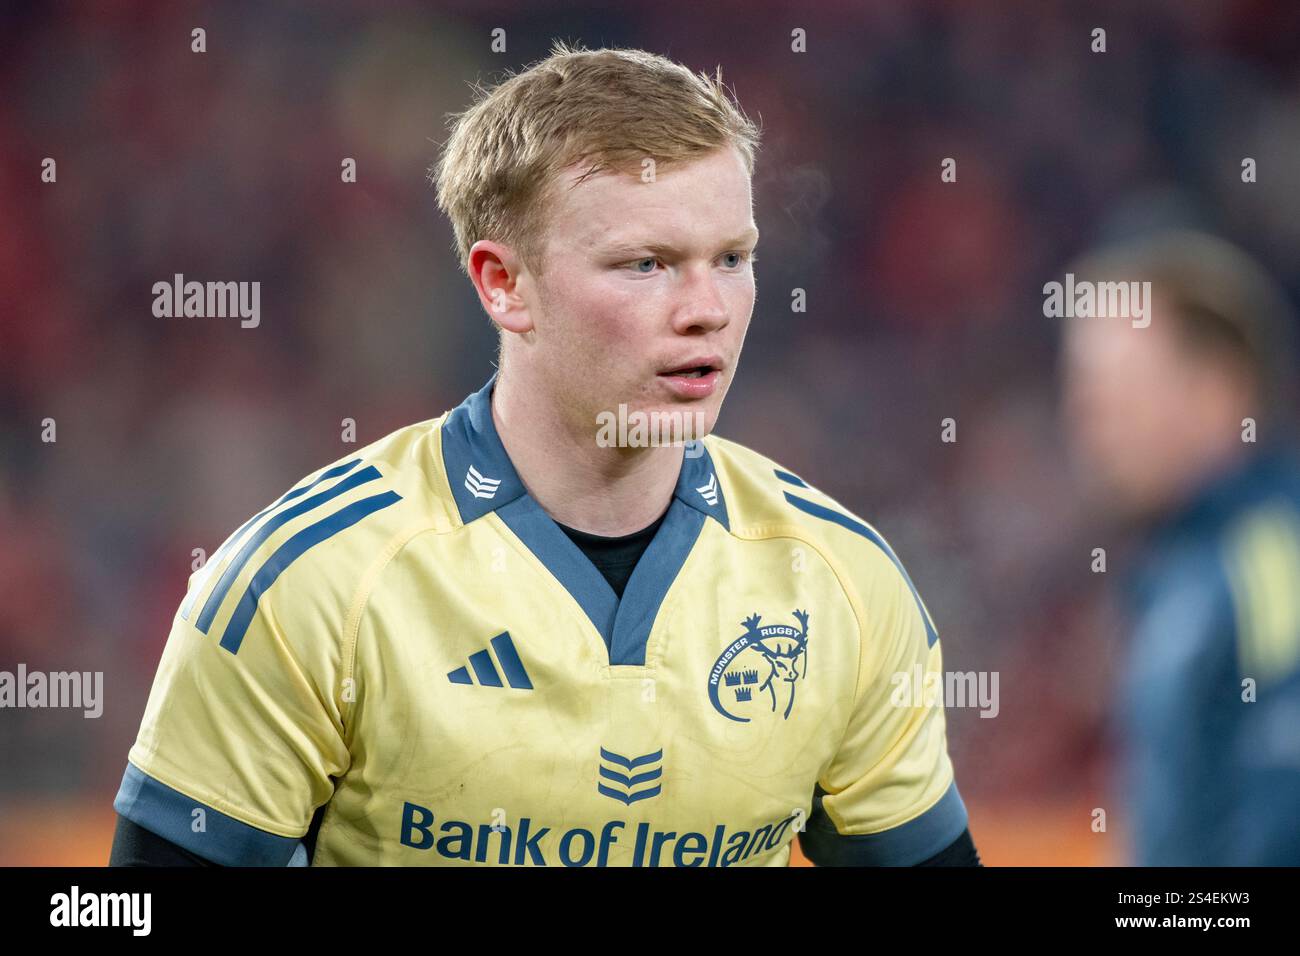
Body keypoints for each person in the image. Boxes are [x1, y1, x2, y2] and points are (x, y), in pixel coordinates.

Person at [110, 41, 978, 867]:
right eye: (646, 264)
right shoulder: (304, 585)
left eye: (733, 257)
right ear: (504, 285)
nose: (707, 307)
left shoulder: (844, 586)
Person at [1061, 229, 1300, 865]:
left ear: (1216, 391)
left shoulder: (1271, 569)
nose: (1087, 420)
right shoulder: (1181, 575)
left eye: (1113, 391)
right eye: (1082, 393)